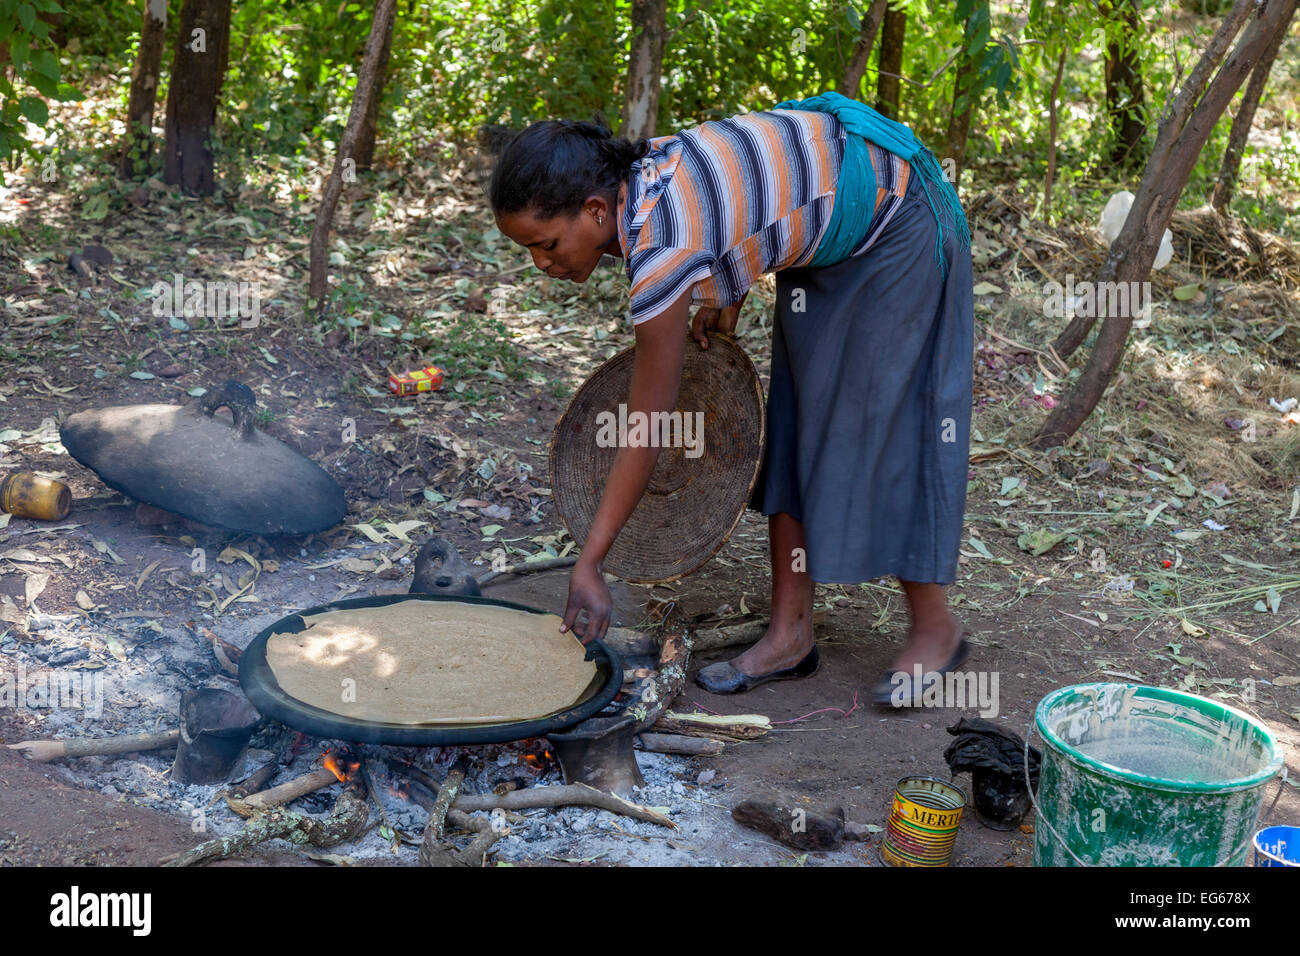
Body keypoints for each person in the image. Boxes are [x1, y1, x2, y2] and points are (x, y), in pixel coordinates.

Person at [489, 92, 974, 705]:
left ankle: (937, 629)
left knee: (869, 428)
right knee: (795, 430)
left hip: (896, 219)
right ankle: (790, 635)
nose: (540, 263)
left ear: (594, 209)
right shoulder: (643, 177)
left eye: (547, 243)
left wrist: (591, 562)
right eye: (528, 249)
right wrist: (730, 287)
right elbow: (743, 203)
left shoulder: (662, 249)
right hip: (833, 232)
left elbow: (648, 425)